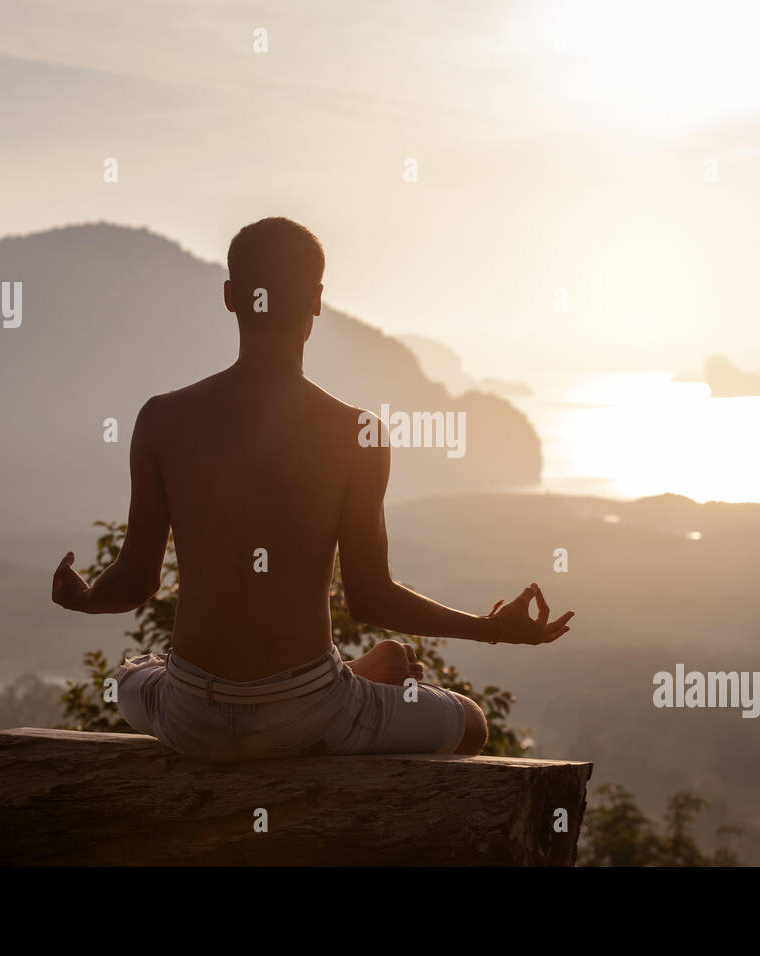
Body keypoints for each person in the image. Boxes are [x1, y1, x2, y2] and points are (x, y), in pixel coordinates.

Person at [52, 217, 572, 761]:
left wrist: (84, 598)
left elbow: (135, 584)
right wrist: (491, 629)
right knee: (471, 722)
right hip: (307, 714)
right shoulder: (357, 434)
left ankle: (359, 674)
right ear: (317, 300)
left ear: (231, 297)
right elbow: (372, 598)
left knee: (133, 677)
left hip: (192, 714)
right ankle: (357, 676)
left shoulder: (161, 419)